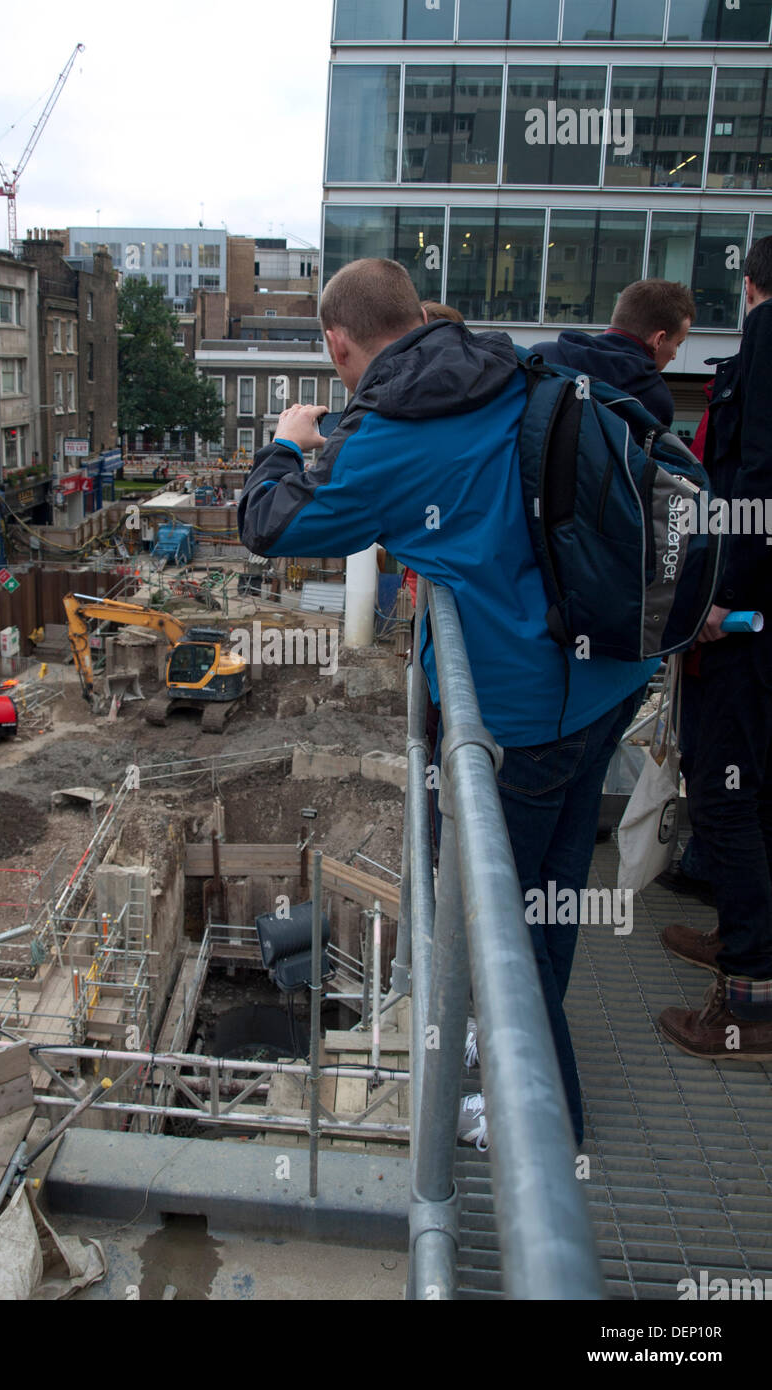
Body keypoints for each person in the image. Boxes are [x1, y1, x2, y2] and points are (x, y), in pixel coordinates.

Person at [238, 258, 658, 1149]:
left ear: (337, 343)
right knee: (546, 900)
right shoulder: (503, 365)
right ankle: (504, 1058)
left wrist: (284, 439)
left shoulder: (395, 432)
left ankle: (539, 1123)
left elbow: (269, 525)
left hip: (523, 715)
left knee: (501, 929)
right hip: (603, 687)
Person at [658, 235, 772, 1056]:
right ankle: (743, 944)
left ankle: (749, 998)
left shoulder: (765, 346)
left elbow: (755, 481)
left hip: (747, 629)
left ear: (748, 285)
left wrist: (719, 596)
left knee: (727, 797)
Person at [530, 279, 696, 427]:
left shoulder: (541, 356)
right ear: (659, 340)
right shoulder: (656, 399)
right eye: (678, 344)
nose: (674, 355)